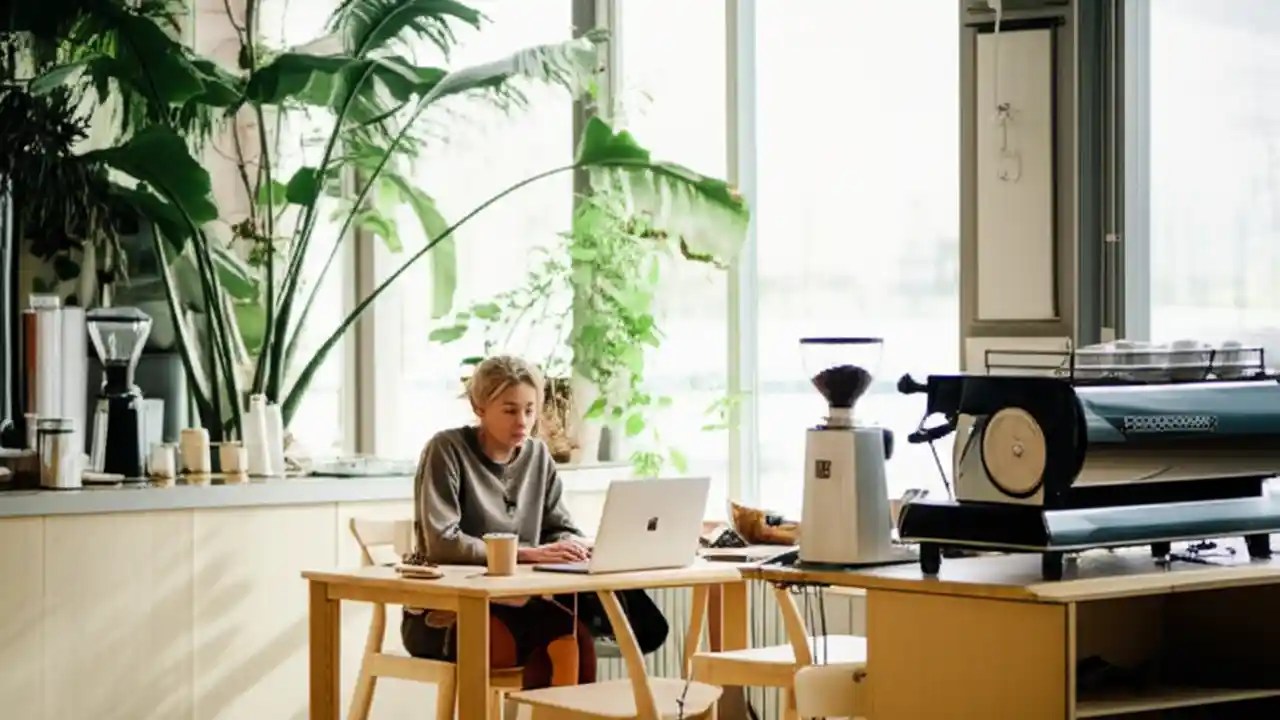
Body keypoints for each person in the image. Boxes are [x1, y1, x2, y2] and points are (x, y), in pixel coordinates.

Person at [402, 355, 597, 689]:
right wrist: (526, 554)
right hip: (447, 613)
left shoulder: (538, 456)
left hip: (520, 604)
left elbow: (558, 527)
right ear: (480, 407)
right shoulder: (446, 450)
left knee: (575, 639)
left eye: (530, 409)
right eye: (509, 410)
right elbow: (443, 542)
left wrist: (572, 546)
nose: (522, 421)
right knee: (529, 641)